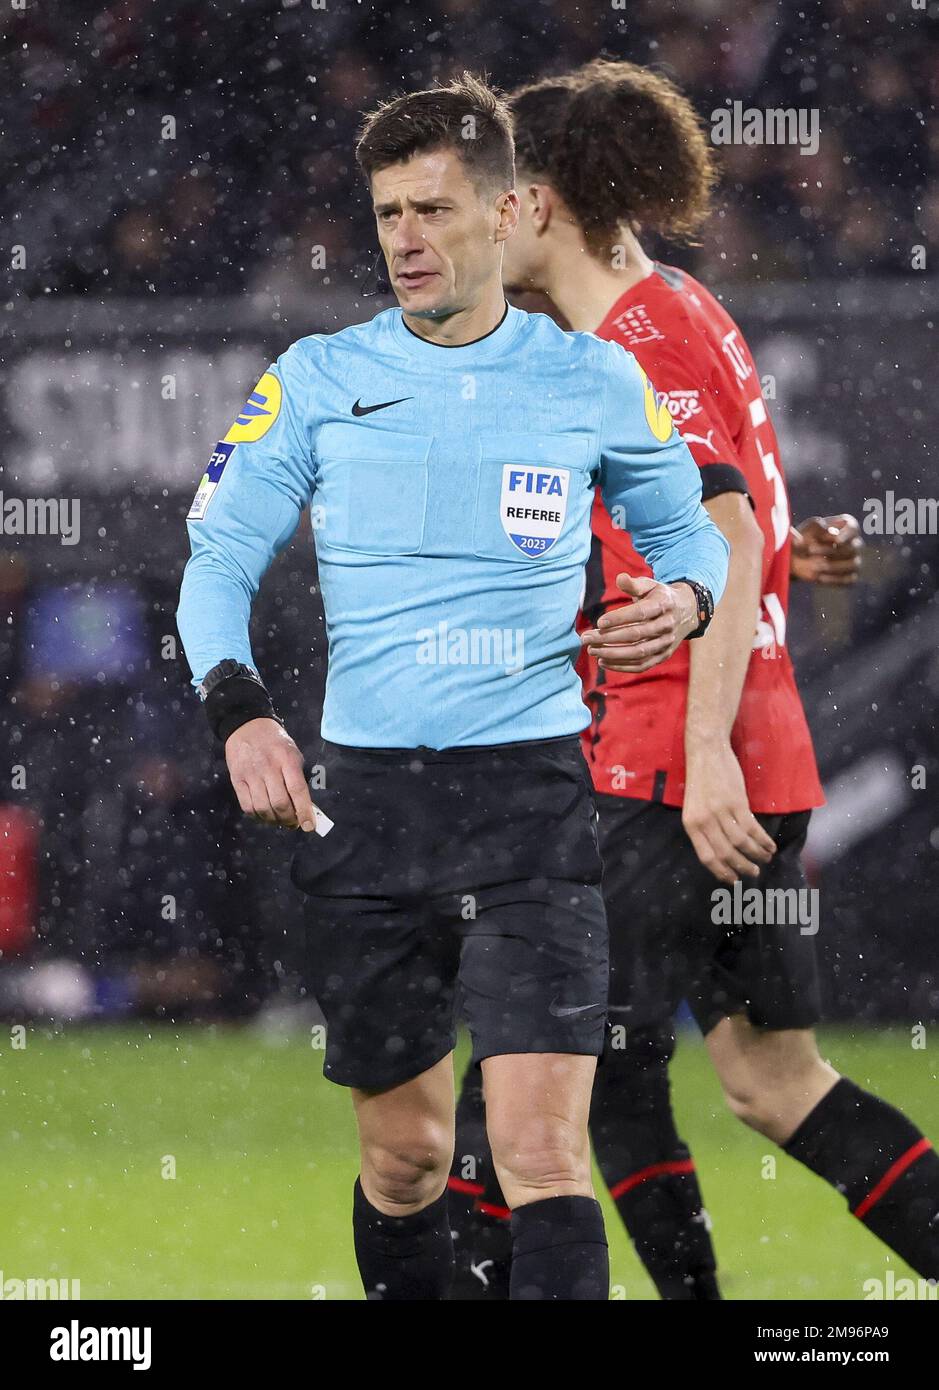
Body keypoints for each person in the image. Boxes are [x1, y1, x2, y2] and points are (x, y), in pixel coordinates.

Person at [176, 72, 729, 1302]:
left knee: (541, 1151)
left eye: (432, 209)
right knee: (412, 1160)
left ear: (508, 208)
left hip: (531, 808)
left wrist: (681, 602)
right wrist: (241, 707)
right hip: (367, 811)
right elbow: (216, 556)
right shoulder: (319, 377)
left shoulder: (587, 379)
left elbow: (695, 536)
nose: (408, 240)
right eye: (387, 216)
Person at [447, 59, 939, 1300]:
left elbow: (715, 531)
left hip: (673, 770)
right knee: (771, 1083)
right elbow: (733, 516)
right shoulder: (683, 306)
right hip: (753, 762)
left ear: (543, 204)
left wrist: (704, 744)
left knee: (517, 1083)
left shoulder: (637, 339)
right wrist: (788, 550)